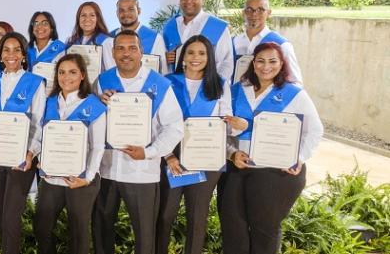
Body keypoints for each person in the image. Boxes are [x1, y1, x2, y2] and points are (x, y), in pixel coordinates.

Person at [219, 42, 323, 254]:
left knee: (264, 230)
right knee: (233, 228)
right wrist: (232, 154)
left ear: (282, 63)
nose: (266, 66)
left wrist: (300, 157)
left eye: (273, 61)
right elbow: (222, 130)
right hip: (237, 169)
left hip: (274, 173)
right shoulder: (237, 90)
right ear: (253, 63)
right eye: (261, 61)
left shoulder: (294, 93)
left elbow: (315, 130)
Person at [92, 30, 183, 254]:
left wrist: (150, 152)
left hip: (142, 171)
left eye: (132, 48)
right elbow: (89, 121)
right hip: (106, 169)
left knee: (144, 236)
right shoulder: (102, 81)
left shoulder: (159, 84)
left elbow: (175, 126)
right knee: (102, 232)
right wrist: (98, 103)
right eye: (120, 48)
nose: (126, 53)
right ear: (112, 53)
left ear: (141, 52)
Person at [155, 36, 244, 254]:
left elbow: (227, 125)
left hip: (206, 156)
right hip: (173, 155)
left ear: (209, 57)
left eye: (202, 53)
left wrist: (238, 124)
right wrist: (168, 155)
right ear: (183, 56)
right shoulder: (167, 82)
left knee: (197, 216)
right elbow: (156, 123)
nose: (196, 58)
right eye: (191, 52)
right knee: (166, 214)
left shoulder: (220, 84)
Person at [0, 32, 46, 254]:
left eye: (17, 50)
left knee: (11, 218)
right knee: (1, 215)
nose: (11, 54)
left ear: (24, 55)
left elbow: (39, 122)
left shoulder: (35, 83)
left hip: (21, 158)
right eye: (6, 49)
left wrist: (31, 152)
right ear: (0, 55)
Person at [32, 54, 107, 254]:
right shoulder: (48, 103)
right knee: (42, 227)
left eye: (73, 72)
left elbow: (98, 146)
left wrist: (88, 178)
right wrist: (41, 159)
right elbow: (40, 136)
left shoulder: (94, 105)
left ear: (82, 75)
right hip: (52, 179)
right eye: (62, 72)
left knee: (78, 232)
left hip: (81, 179)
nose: (66, 77)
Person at [162, 0, 233, 80]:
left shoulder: (217, 27)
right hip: (175, 87)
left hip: (206, 89)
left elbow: (226, 63)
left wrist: (214, 87)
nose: (189, 1)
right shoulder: (170, 25)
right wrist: (164, 58)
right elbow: (161, 56)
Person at [231, 0, 303, 84]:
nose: (254, 14)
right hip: (236, 97)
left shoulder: (281, 45)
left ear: (268, 13)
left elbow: (295, 82)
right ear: (243, 13)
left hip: (268, 97)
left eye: (260, 10)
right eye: (249, 9)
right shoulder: (232, 43)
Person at [102, 0, 168, 74]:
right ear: (117, 13)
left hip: (146, 85)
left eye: (131, 9)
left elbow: (163, 72)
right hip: (113, 84)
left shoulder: (155, 38)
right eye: (121, 10)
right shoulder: (108, 38)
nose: (126, 13)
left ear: (139, 11)